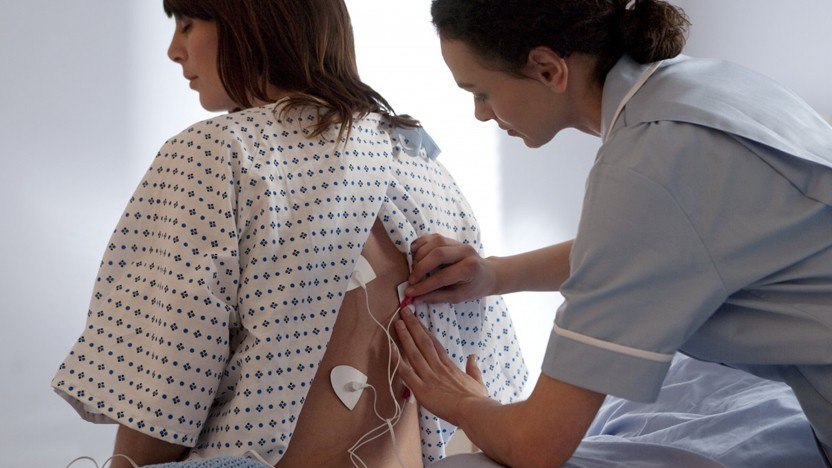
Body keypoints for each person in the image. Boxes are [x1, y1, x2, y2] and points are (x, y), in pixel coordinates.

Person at [51, 1, 527, 466]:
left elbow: (163, 386)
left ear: (254, 18)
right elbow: (489, 377)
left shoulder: (216, 154)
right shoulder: (426, 167)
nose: (174, 49)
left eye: (189, 23)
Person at [393, 0, 832, 466]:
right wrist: (496, 274)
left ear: (547, 69)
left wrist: (463, 403)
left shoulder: (648, 168)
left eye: (480, 92)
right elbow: (651, 245)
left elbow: (535, 445)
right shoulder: (703, 88)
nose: (480, 114)